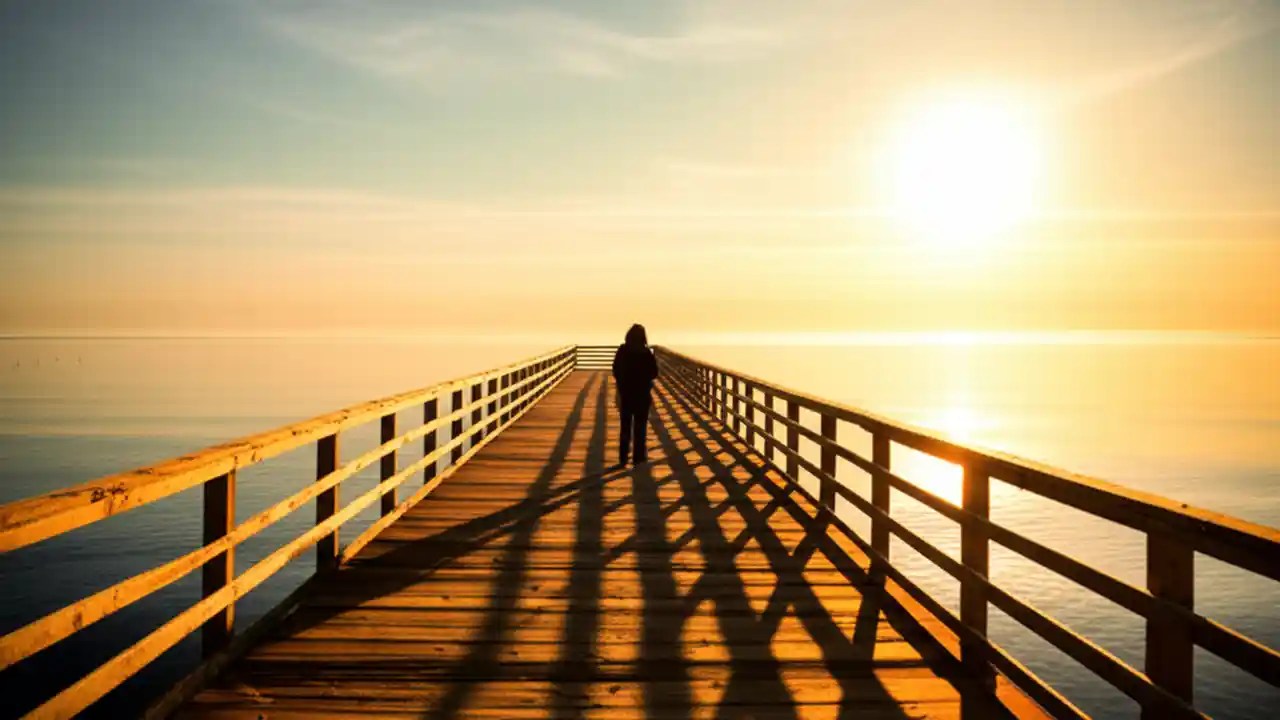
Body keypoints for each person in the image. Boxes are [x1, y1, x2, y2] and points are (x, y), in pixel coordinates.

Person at [611, 324, 659, 466]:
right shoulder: (646, 353)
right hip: (642, 395)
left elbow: (615, 369)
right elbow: (654, 372)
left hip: (626, 394)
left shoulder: (623, 350)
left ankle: (623, 457)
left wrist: (622, 382)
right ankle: (638, 457)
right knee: (640, 426)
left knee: (625, 426)